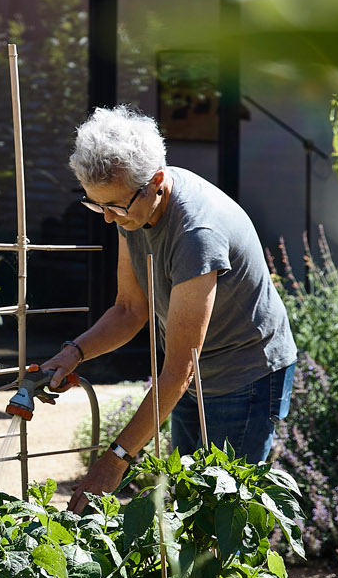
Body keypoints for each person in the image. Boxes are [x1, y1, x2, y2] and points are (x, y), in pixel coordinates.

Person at [41, 104, 296, 514]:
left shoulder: (197, 235)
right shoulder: (133, 210)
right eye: (96, 206)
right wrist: (75, 352)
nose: (107, 219)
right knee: (189, 504)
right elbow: (128, 309)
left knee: (227, 517)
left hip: (246, 376)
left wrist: (113, 463)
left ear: (157, 182)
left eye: (115, 207)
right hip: (192, 376)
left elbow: (179, 369)